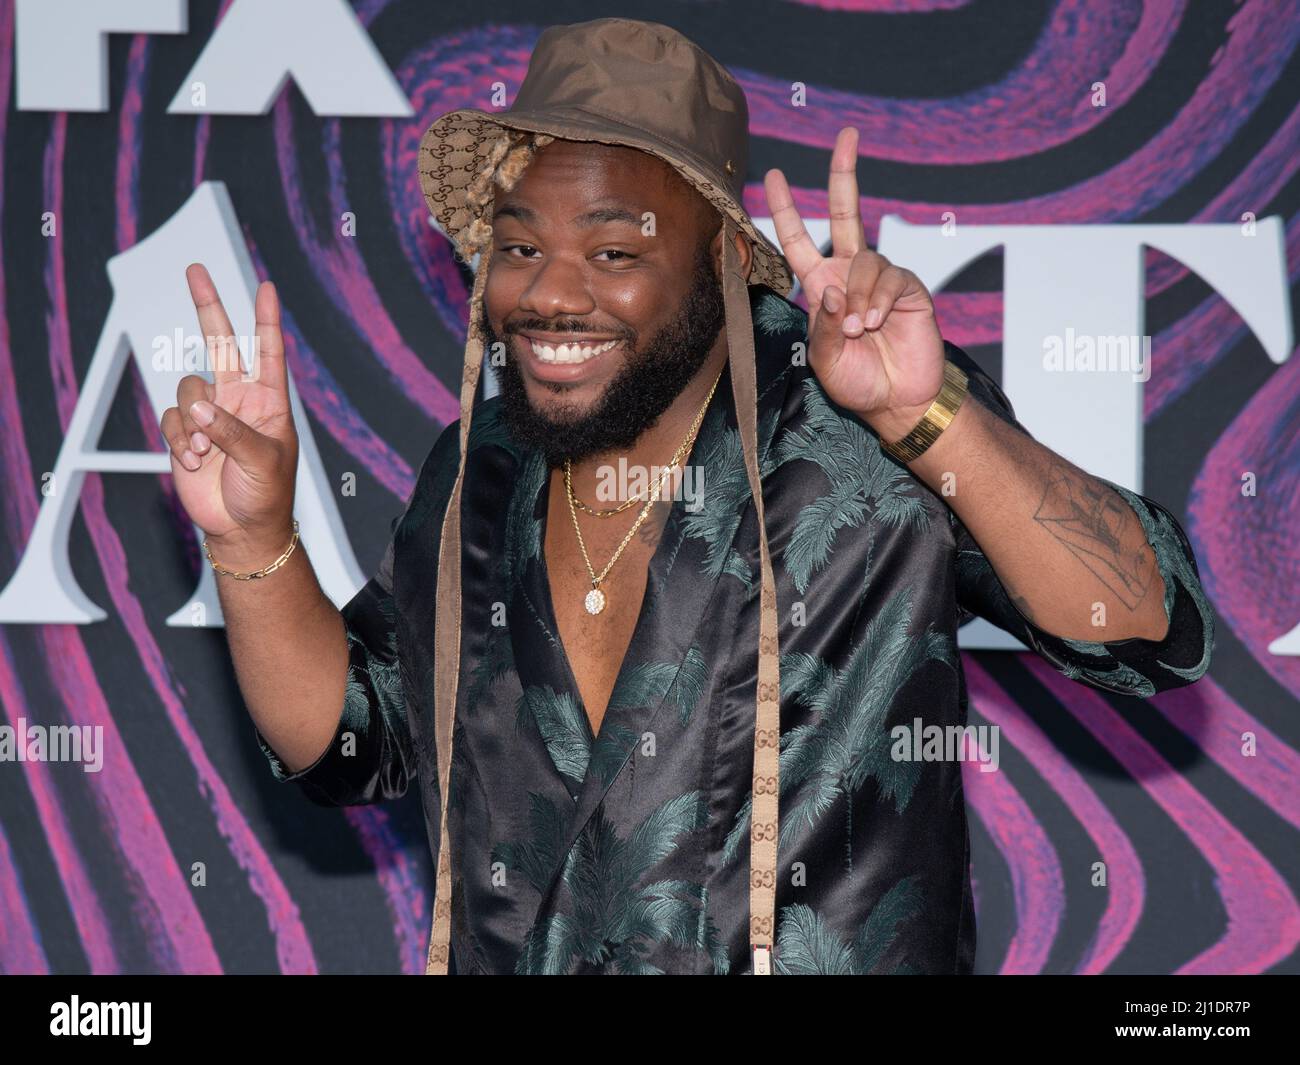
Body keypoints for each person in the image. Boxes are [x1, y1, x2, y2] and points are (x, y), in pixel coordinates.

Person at [160, 18, 1214, 975]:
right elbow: (349, 745)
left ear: (719, 257)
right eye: (521, 247)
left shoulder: (856, 420)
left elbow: (1144, 630)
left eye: (614, 251)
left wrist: (925, 416)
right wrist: (252, 538)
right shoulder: (478, 466)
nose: (550, 293)